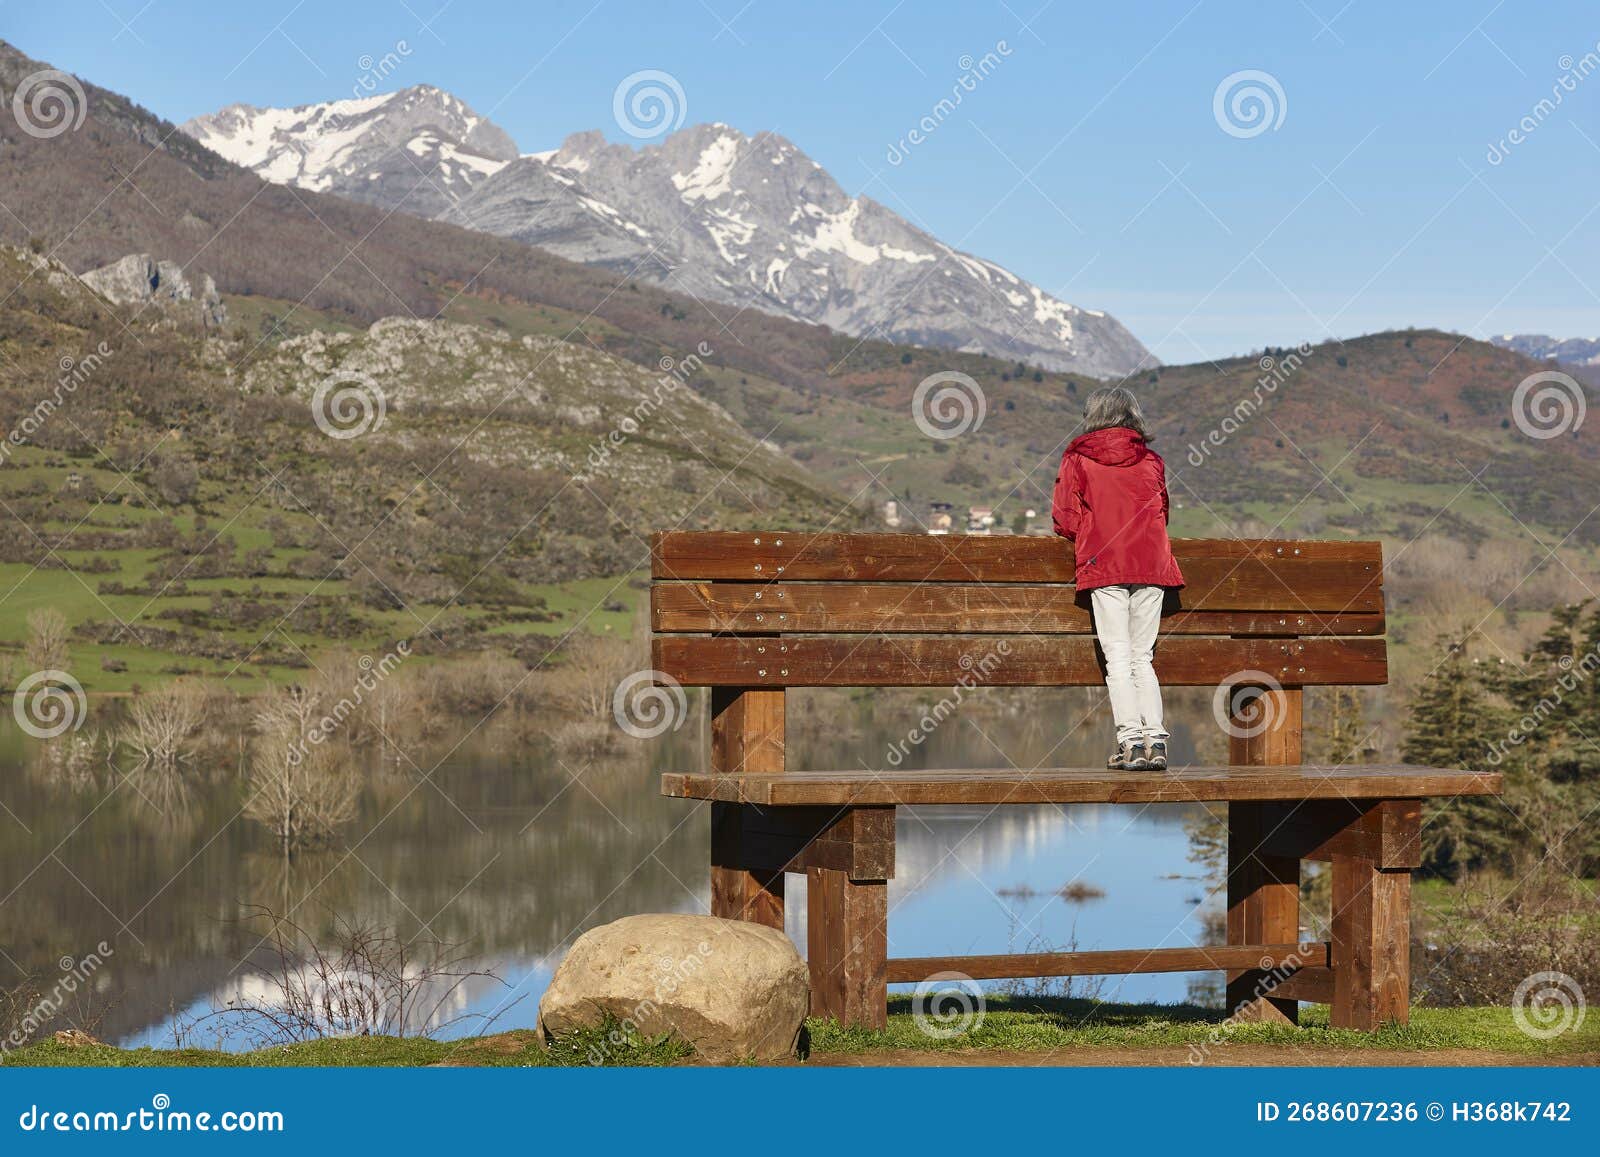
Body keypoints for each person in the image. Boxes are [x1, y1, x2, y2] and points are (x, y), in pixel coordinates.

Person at [1051, 387, 1185, 771]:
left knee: (1118, 658)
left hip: (1105, 565)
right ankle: (1155, 741)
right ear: (1133, 415)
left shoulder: (1078, 458)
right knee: (1142, 657)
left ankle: (1130, 743)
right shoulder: (1152, 460)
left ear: (1093, 415)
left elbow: (1065, 519)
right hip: (1152, 565)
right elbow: (1163, 512)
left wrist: (1095, 532)